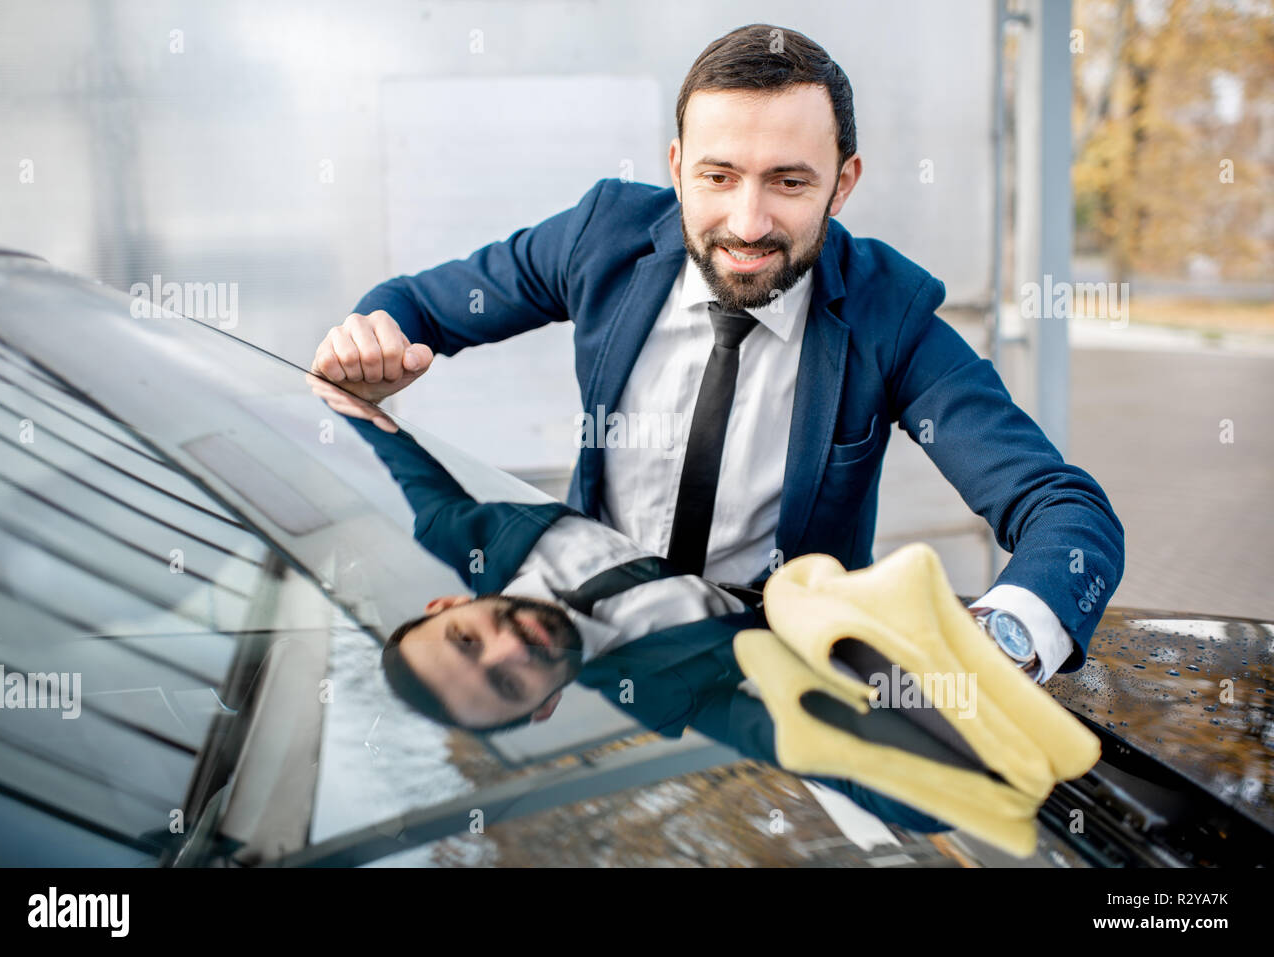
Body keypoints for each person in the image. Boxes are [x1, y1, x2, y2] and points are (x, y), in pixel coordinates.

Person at [311, 24, 1124, 706]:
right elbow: (421, 303)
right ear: (675, 168)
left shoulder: (889, 312)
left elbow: (1065, 510)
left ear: (844, 185)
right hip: (586, 657)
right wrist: (371, 336)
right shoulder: (603, 236)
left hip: (777, 685)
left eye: (789, 182)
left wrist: (1001, 637)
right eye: (718, 176)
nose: (748, 220)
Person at [322, 391, 976, 834]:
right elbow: (800, 749)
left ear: (449, 603)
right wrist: (941, 797)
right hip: (851, 586)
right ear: (545, 703)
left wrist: (342, 386)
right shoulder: (660, 691)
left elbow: (389, 449)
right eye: (506, 683)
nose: (509, 649)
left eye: (467, 639)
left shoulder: (461, 532)